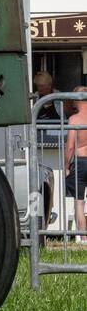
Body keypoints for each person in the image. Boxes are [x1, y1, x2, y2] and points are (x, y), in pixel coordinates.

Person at [63, 89, 87, 243]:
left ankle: (84, 238)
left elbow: (70, 147)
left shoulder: (74, 119)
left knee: (79, 201)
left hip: (80, 162)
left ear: (78, 100)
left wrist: (66, 166)